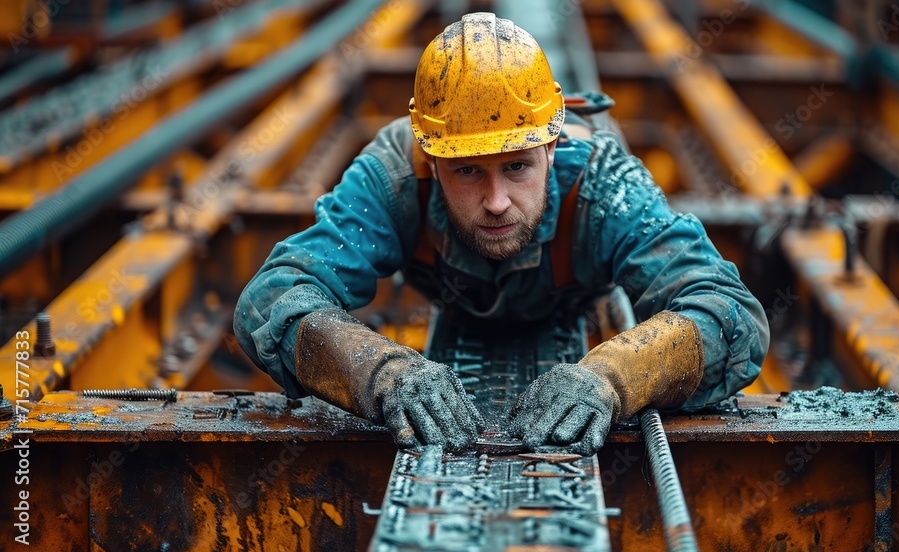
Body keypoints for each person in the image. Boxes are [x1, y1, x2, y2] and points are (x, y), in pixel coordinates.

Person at [234, 13, 768, 456]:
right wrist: (381, 373)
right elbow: (271, 300)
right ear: (433, 158)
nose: (495, 202)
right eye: (468, 171)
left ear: (552, 149)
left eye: (517, 167)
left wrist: (612, 376)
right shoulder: (396, 175)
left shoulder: (603, 185)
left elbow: (728, 312)